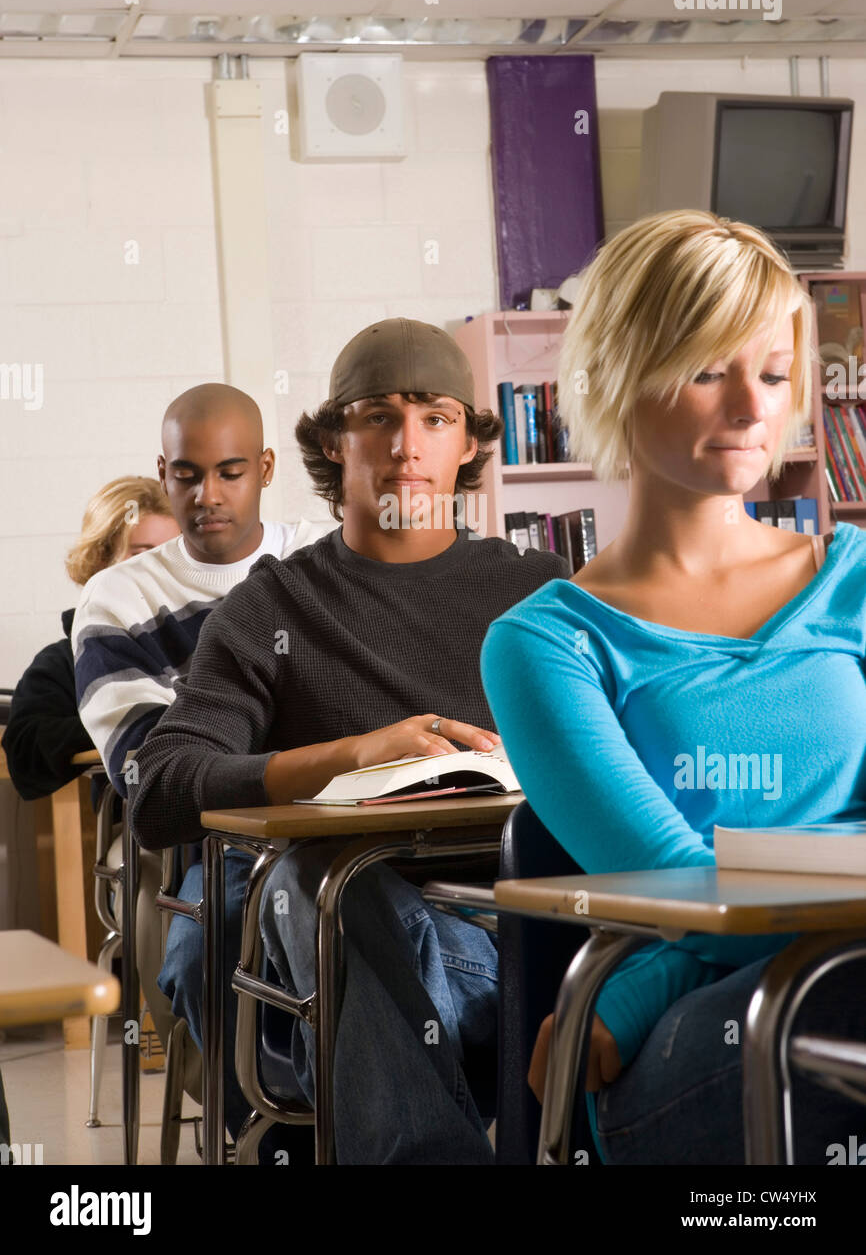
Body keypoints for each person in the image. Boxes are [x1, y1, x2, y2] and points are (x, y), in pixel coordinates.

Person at [129, 317, 569, 1162]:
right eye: (378, 417)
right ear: (334, 439)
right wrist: (351, 756)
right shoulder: (273, 607)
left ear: (470, 441)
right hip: (330, 924)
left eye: (435, 418)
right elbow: (161, 789)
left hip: (499, 931)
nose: (407, 445)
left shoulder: (539, 591)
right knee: (318, 886)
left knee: (340, 911)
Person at [480, 209, 866, 1165]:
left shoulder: (855, 578)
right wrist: (656, 985)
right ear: (617, 374)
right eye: (706, 370)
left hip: (703, 995)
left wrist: (637, 982)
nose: (750, 408)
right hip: (688, 1040)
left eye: (774, 376)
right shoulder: (545, 644)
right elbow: (681, 888)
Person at [71, 383, 335, 1081]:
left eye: (230, 472)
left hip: (345, 836)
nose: (207, 494)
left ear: (268, 468)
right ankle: (272, 1127)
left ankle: (334, 1122)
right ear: (164, 475)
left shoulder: (325, 562)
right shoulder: (119, 598)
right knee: (199, 959)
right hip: (215, 852)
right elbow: (153, 768)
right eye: (186, 475)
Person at [3, 477, 179, 801]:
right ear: (101, 563)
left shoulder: (211, 635)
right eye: (143, 556)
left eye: (173, 555)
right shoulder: (63, 661)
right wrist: (118, 718)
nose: (162, 571)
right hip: (147, 833)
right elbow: (25, 751)